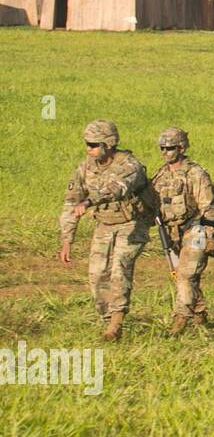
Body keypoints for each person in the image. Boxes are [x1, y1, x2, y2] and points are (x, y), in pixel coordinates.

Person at [58, 120, 150, 341]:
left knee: (119, 269)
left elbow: (118, 188)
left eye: (93, 144)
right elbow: (71, 203)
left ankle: (116, 324)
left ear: (108, 144)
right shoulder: (85, 168)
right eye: (87, 144)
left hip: (131, 224)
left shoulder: (129, 165)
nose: (88, 149)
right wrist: (67, 240)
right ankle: (107, 319)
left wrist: (90, 202)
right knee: (97, 275)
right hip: (104, 225)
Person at [149, 127, 214, 336]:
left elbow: (210, 207)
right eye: (162, 148)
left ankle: (179, 320)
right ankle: (199, 314)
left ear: (181, 148)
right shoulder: (160, 175)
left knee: (185, 275)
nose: (165, 152)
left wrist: (210, 235)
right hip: (172, 233)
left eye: (169, 148)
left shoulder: (196, 174)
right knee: (185, 275)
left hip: (195, 230)